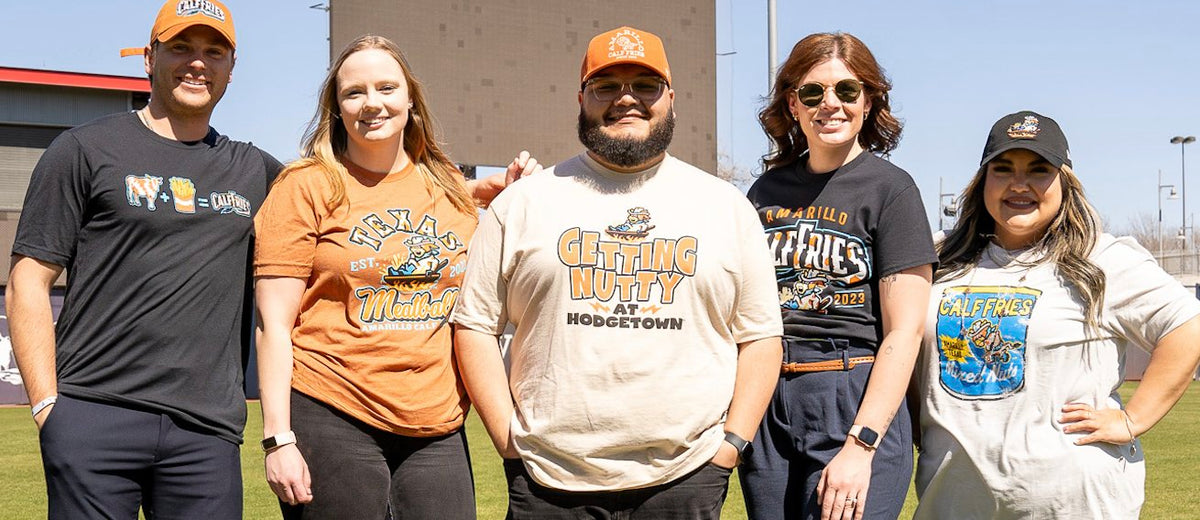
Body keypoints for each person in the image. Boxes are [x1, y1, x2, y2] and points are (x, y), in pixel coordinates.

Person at [450, 26, 783, 519]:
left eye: (644, 85)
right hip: (547, 480)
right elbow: (474, 324)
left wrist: (730, 445)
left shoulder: (725, 206)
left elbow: (761, 335)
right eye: (606, 86)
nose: (626, 99)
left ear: (671, 97)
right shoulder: (523, 203)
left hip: (685, 476)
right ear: (581, 98)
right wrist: (506, 438)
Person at [6, 1, 279, 517]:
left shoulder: (257, 171)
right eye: (181, 48)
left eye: (213, 51)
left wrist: (452, 190)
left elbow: (345, 202)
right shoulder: (83, 150)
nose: (198, 62)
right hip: (94, 416)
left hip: (206, 433)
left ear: (230, 69)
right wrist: (48, 407)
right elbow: (28, 282)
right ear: (149, 59)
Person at [253, 34, 538, 519]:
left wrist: (502, 195)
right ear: (336, 108)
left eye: (386, 88)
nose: (372, 104)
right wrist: (278, 439)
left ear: (410, 98)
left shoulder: (448, 185)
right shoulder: (306, 185)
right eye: (354, 92)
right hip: (332, 406)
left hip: (438, 420)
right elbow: (273, 324)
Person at [913, 110, 1200, 518]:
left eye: (1038, 169)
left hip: (1075, 503)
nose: (1019, 184)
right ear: (982, 182)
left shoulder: (1101, 258)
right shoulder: (939, 256)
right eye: (1003, 168)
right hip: (955, 502)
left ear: (1065, 183)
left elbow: (1188, 325)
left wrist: (1132, 420)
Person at [739, 32, 937, 520]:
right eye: (813, 92)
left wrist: (862, 444)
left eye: (847, 91)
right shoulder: (764, 191)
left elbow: (905, 332)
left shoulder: (892, 190)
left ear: (868, 102)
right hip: (767, 396)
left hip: (851, 390)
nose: (830, 104)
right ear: (793, 104)